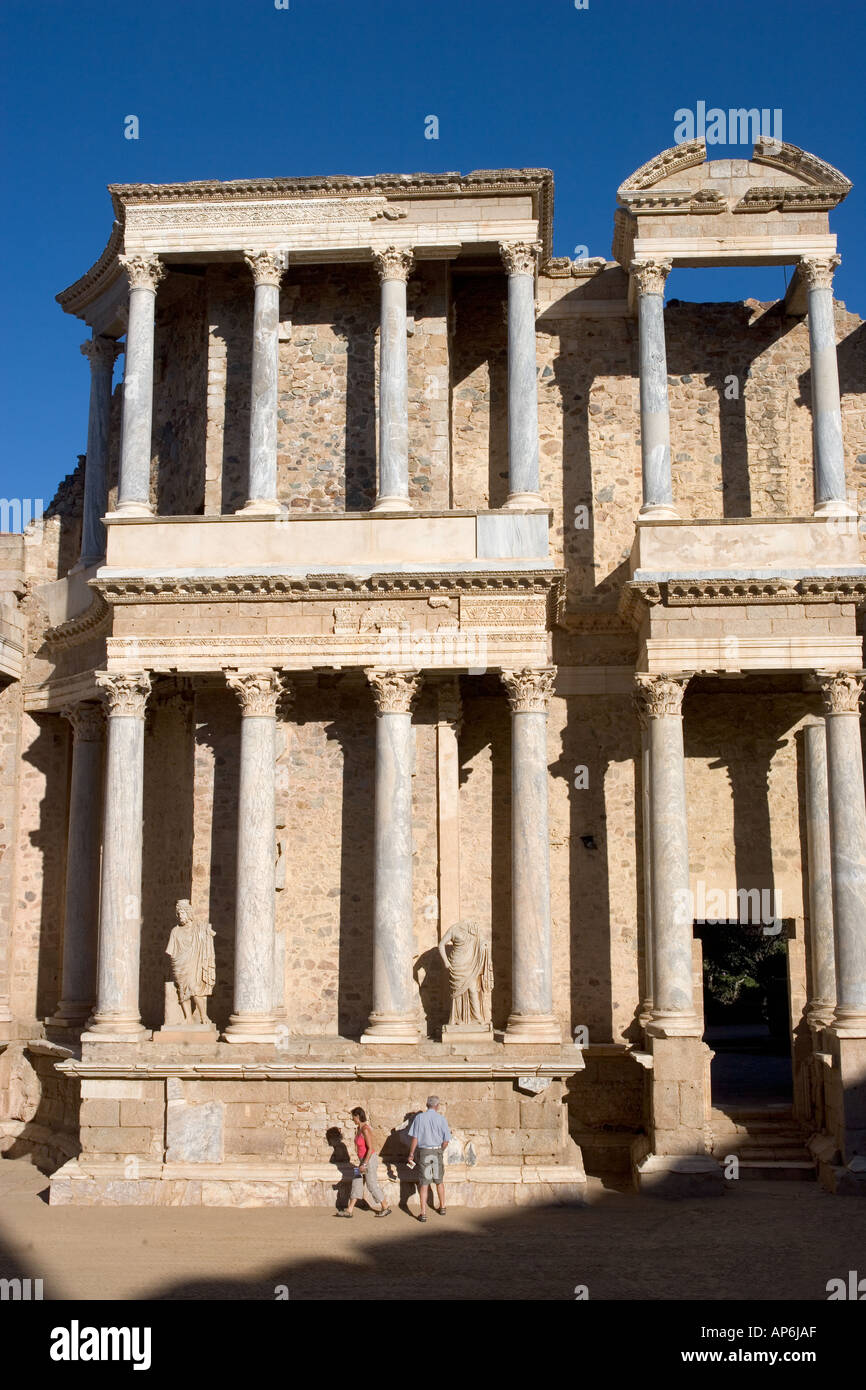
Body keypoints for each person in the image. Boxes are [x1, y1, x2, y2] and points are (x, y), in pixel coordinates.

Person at [165, 900, 216, 1025]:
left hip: (193, 962)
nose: (180, 916)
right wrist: (176, 960)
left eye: (182, 913)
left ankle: (204, 1016)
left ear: (188, 913)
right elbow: (171, 950)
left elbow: (207, 933)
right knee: (182, 991)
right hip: (179, 964)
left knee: (194, 988)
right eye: (178, 913)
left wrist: (207, 931)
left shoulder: (197, 927)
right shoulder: (175, 931)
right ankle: (188, 1018)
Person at [336, 1107, 392, 1218]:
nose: (352, 1119)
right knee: (356, 1181)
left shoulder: (365, 1129)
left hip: (368, 1160)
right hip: (362, 1161)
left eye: (353, 1117)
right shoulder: (358, 1129)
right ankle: (349, 1210)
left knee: (371, 1184)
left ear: (357, 1116)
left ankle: (385, 1206)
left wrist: (364, 1164)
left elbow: (370, 1149)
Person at [406, 1096, 451, 1221]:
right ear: (437, 1106)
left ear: (427, 1105)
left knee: (424, 1183)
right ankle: (442, 1207)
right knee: (439, 1181)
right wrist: (440, 1151)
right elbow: (446, 1140)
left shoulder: (419, 1118)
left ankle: (423, 1213)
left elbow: (415, 1138)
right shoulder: (441, 1119)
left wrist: (411, 1154)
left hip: (424, 1152)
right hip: (437, 1151)